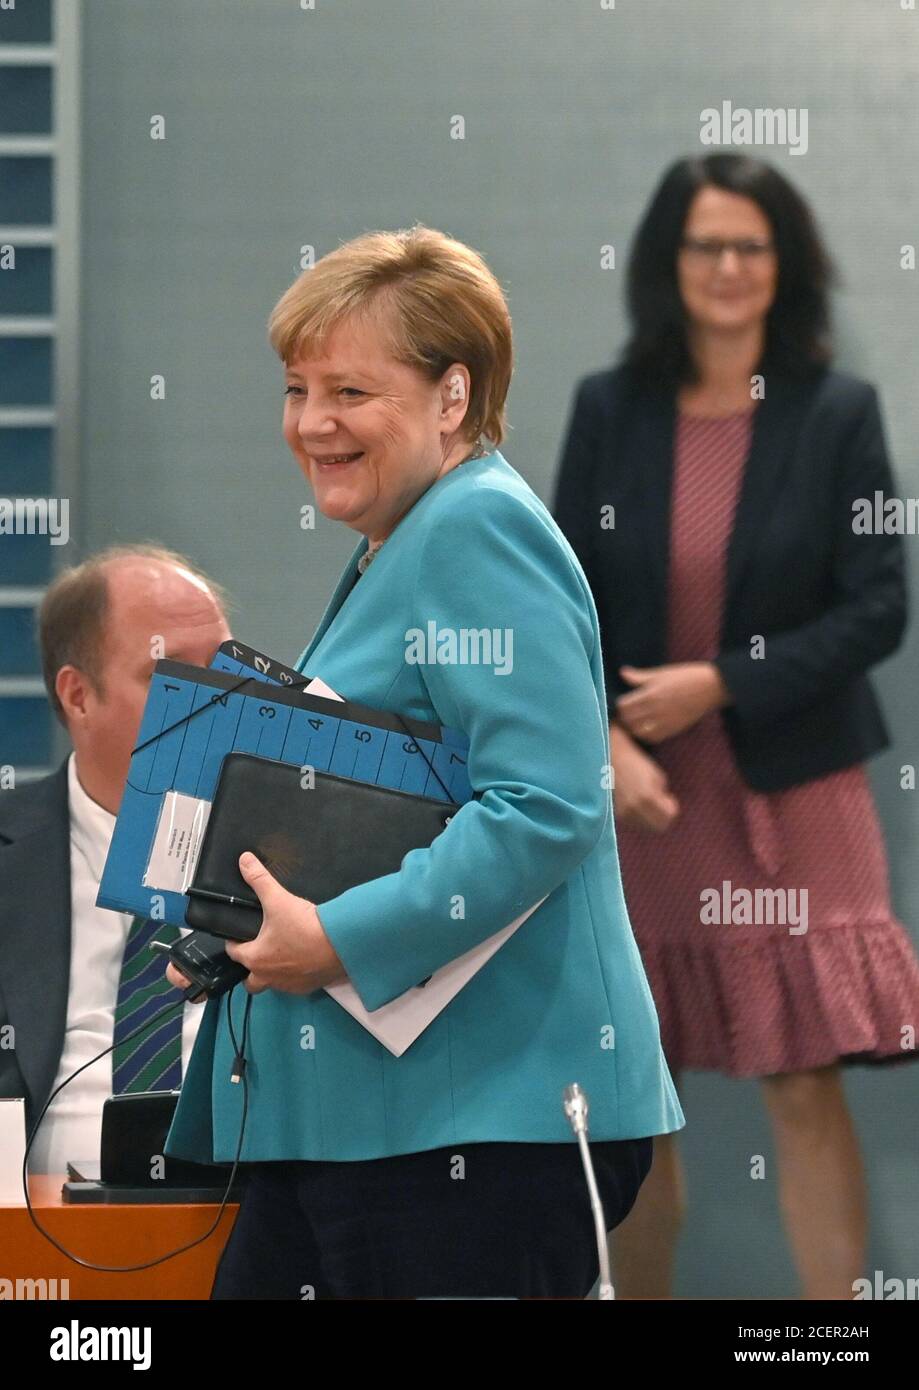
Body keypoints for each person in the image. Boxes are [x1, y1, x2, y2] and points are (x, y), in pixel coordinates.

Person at [164, 224, 684, 1300]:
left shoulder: (474, 531)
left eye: (349, 390)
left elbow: (544, 805)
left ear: (453, 396)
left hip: (471, 1132)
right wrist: (240, 932)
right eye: (296, 387)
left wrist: (335, 940)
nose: (311, 422)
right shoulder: (404, 538)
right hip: (365, 1128)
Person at [553, 153, 919, 1300]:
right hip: (642, 799)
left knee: (804, 1083)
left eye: (749, 246)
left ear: (784, 264)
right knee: (636, 1093)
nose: (726, 268)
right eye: (704, 245)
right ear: (669, 263)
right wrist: (606, 744)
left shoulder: (836, 413)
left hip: (793, 795)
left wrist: (716, 683)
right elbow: (558, 602)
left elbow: (878, 606)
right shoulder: (609, 410)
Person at [0, 545, 231, 1174]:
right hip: (35, 1234)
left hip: (252, 1224)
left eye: (224, 671)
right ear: (78, 696)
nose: (212, 703)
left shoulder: (288, 855)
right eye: (171, 676)